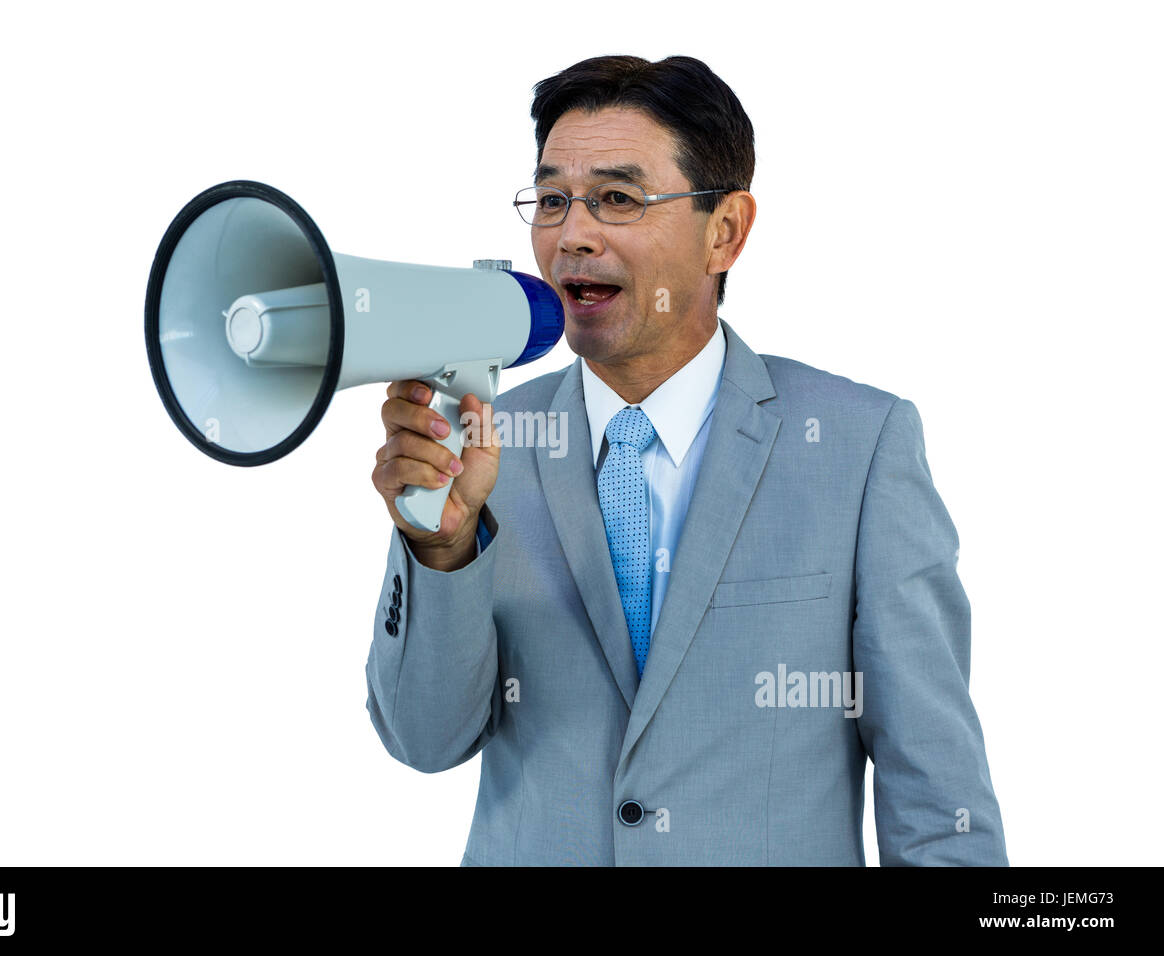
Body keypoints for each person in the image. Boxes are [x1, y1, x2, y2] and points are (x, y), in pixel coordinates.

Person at [365, 54, 1007, 866]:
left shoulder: (859, 446)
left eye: (618, 198)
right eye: (553, 199)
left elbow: (937, 798)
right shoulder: (486, 440)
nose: (573, 235)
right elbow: (424, 741)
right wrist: (442, 547)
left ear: (725, 231)